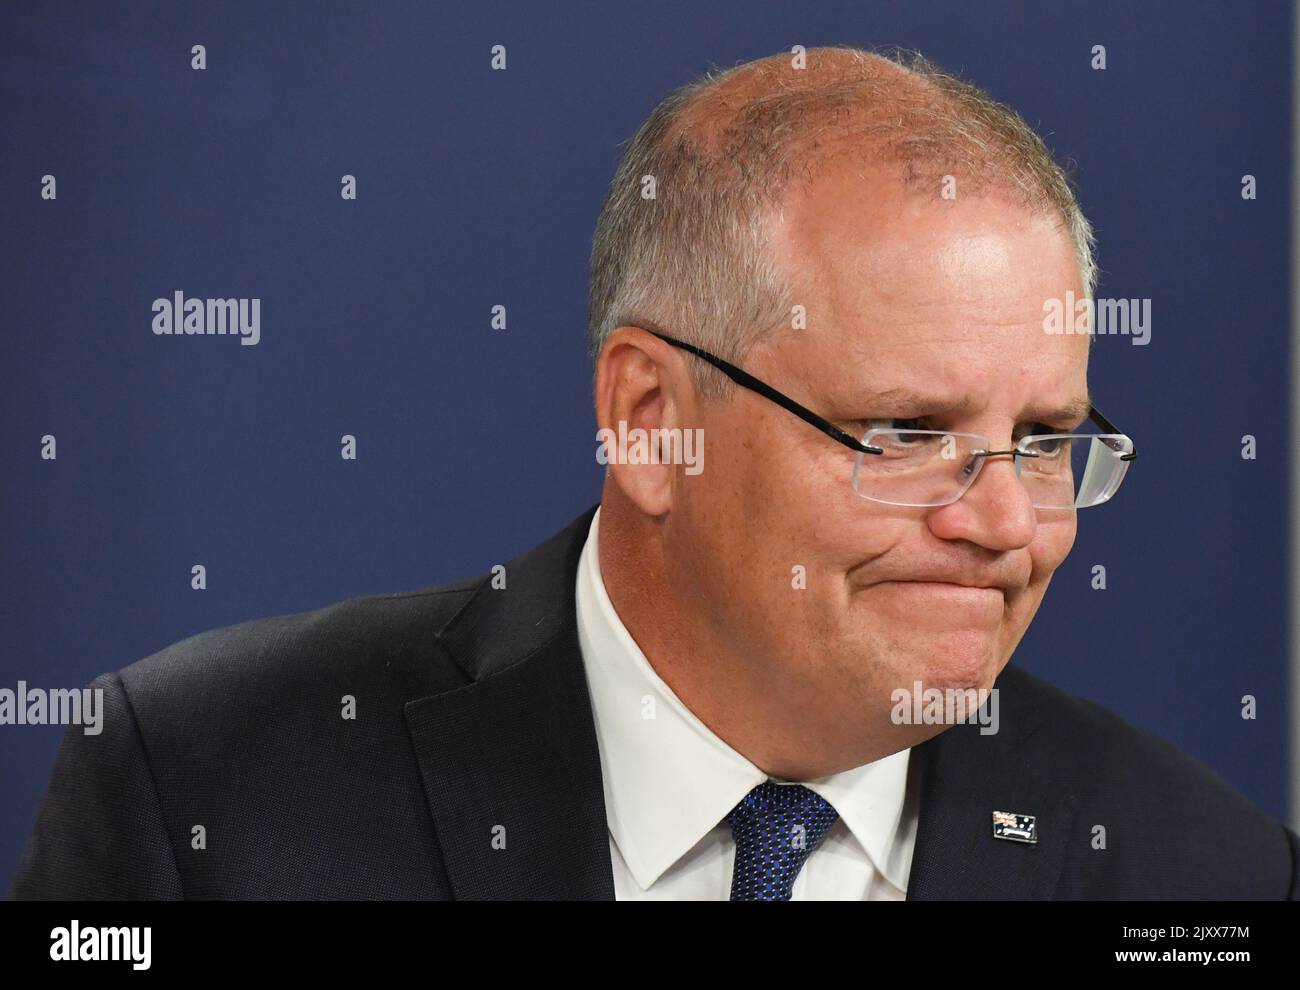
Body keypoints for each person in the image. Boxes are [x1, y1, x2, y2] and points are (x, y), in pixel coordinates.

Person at [13, 46, 1297, 900]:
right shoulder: (202, 789)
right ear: (647, 420)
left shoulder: (1206, 879)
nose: (1011, 524)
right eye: (906, 436)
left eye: (1040, 442)